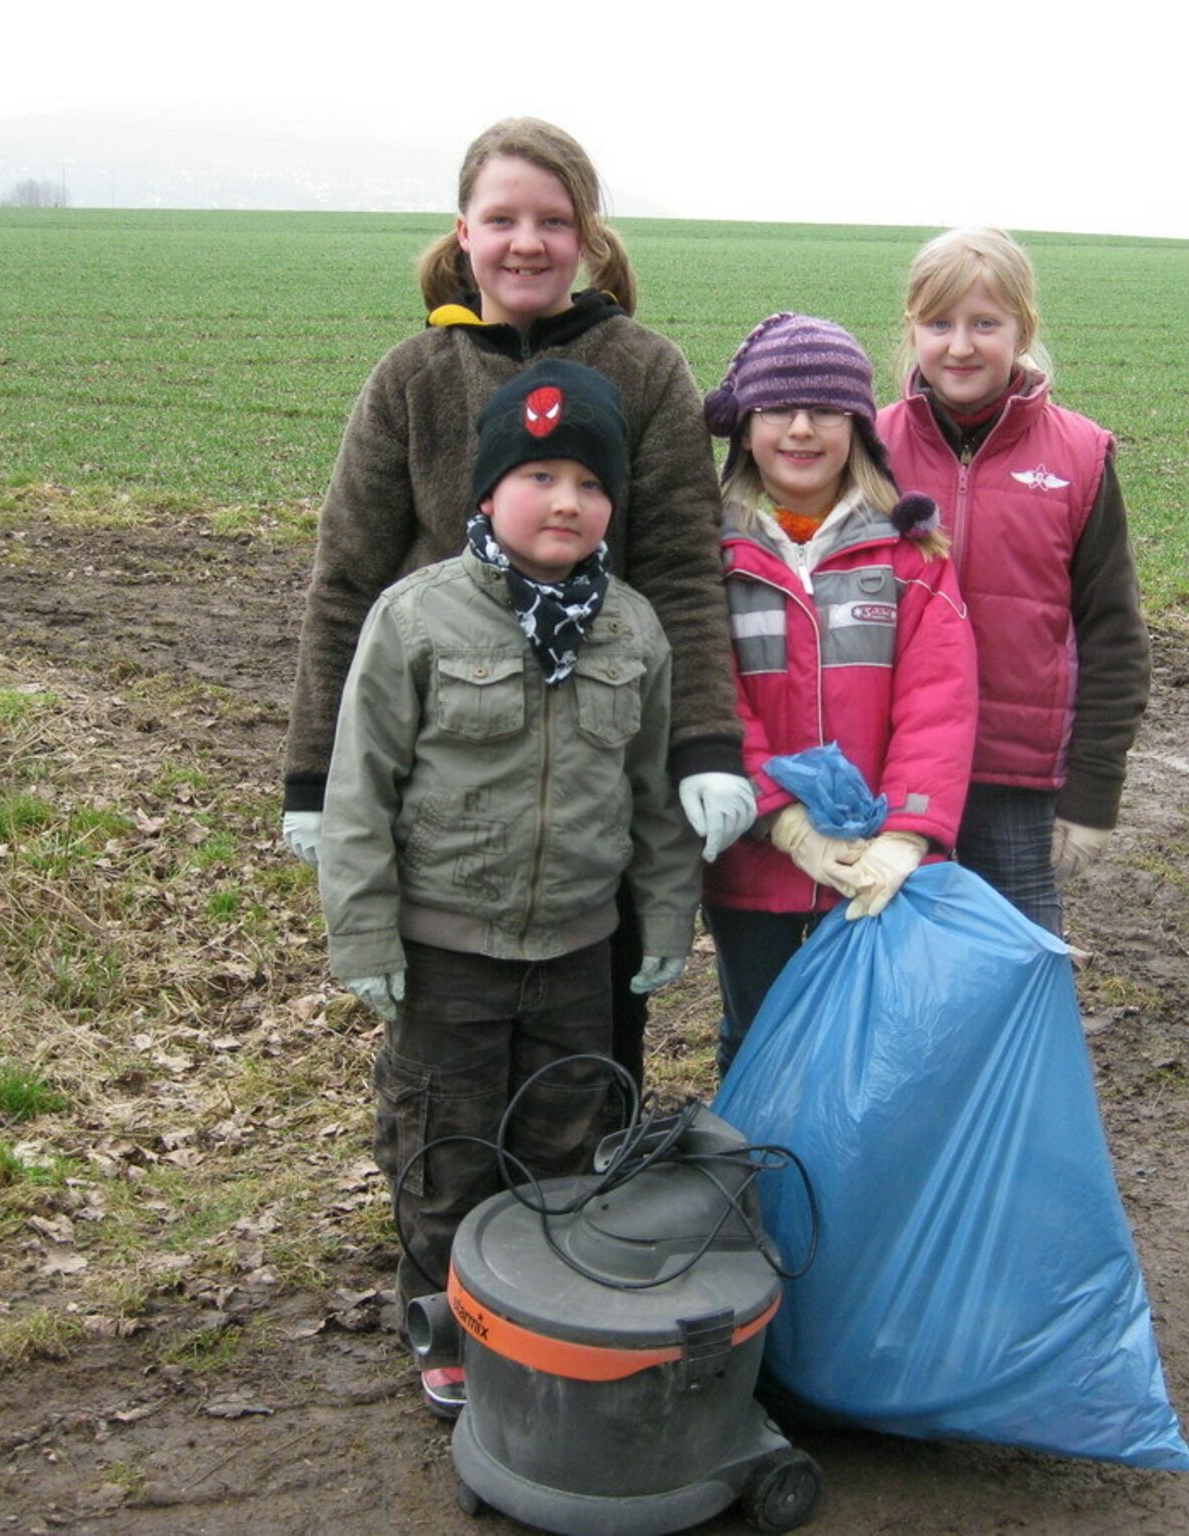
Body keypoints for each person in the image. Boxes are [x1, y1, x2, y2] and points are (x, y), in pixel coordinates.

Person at [280, 118, 751, 1086]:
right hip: (453, 792)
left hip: (596, 792)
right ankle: (449, 1187)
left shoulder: (647, 369)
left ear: (588, 237)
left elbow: (680, 569)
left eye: (553, 220)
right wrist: (313, 775)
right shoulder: (412, 378)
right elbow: (347, 583)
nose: (526, 243)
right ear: (464, 233)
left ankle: (586, 1177)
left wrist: (703, 745)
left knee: (589, 1071)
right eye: (501, 219)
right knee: (445, 1072)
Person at [317, 359, 702, 1419]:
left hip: (579, 951)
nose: (566, 500)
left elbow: (654, 797)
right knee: (443, 1144)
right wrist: (364, 936)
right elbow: (360, 790)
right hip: (448, 952)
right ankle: (443, 1321)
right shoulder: (415, 619)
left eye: (591, 482)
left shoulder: (633, 630)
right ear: (487, 493)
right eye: (540, 477)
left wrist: (665, 917)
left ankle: (537, 1316)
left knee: (560, 1140)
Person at [699, 313, 977, 1070]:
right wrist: (784, 823)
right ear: (743, 426)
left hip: (877, 870)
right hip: (752, 864)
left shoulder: (910, 555)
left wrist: (905, 835)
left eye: (826, 410)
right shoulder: (708, 555)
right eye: (777, 410)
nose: (801, 429)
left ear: (858, 427)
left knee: (869, 1050)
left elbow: (938, 703)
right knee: (757, 1040)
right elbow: (710, 697)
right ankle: (750, 1150)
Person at [877, 229, 1150, 938]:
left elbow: (1113, 633)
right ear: (912, 329)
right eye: (939, 323)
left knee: (1018, 962)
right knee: (902, 963)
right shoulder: (870, 449)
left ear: (1023, 331)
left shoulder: (1080, 457)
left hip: (1018, 781)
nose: (960, 346)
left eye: (985, 324)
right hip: (894, 770)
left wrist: (1093, 794)